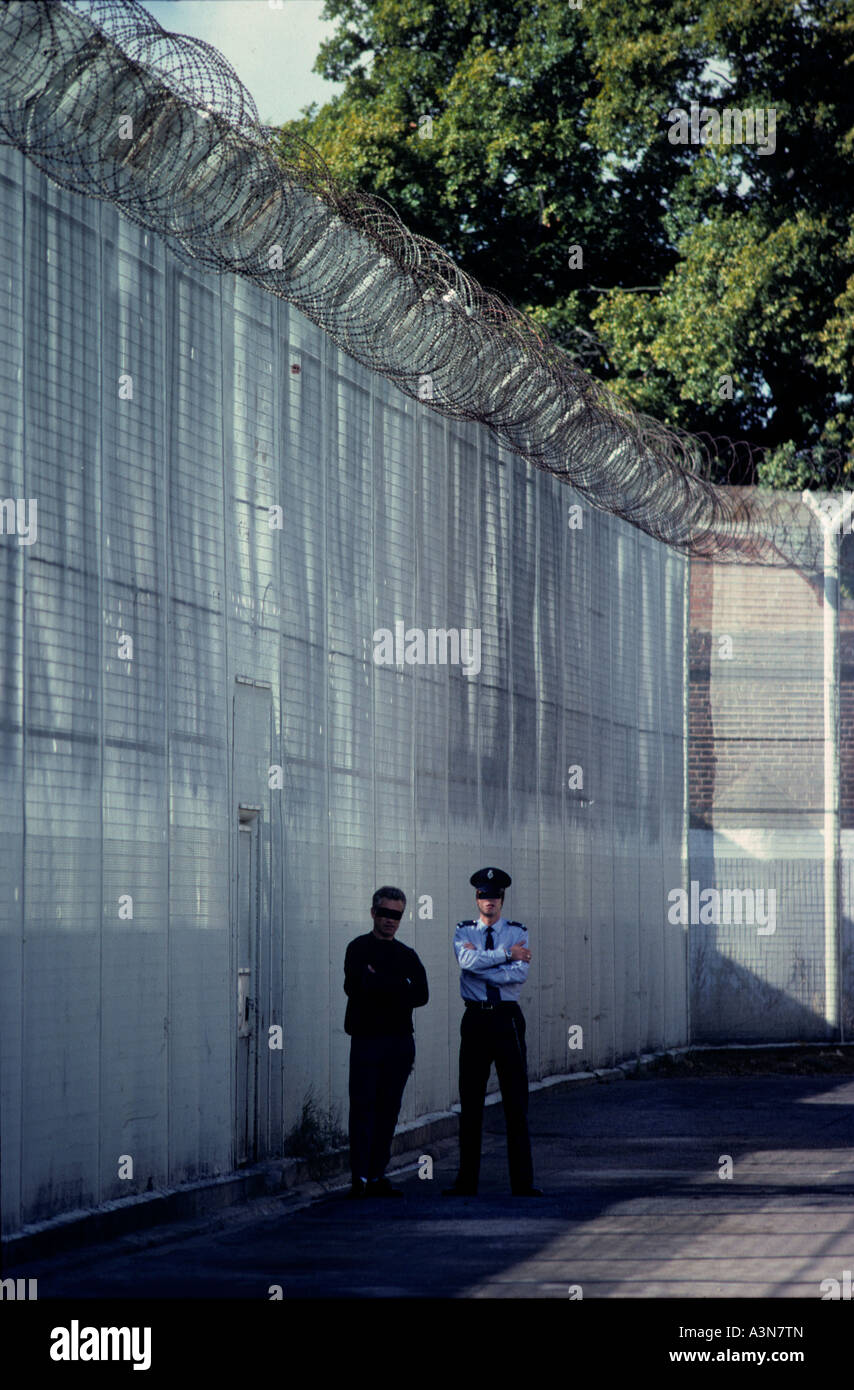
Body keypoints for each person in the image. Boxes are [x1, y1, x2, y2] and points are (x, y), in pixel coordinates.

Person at [443, 867, 542, 1197]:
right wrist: (502, 957)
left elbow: (518, 975)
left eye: (495, 896)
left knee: (516, 1101)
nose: (490, 901)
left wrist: (485, 966)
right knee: (471, 1101)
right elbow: (467, 964)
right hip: (475, 1020)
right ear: (476, 898)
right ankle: (466, 1182)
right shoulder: (462, 931)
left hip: (506, 1018)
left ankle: (523, 1183)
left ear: (503, 898)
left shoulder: (518, 932)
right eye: (484, 895)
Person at [344, 887, 429, 1198]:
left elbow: (422, 994)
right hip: (367, 1040)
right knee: (363, 1108)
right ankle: (360, 1178)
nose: (391, 920)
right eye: (385, 913)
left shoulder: (406, 955)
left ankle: (377, 1175)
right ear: (373, 913)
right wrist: (398, 986)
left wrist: (378, 981)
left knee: (388, 1110)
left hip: (399, 1043)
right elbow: (354, 986)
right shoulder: (357, 949)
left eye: (397, 915)